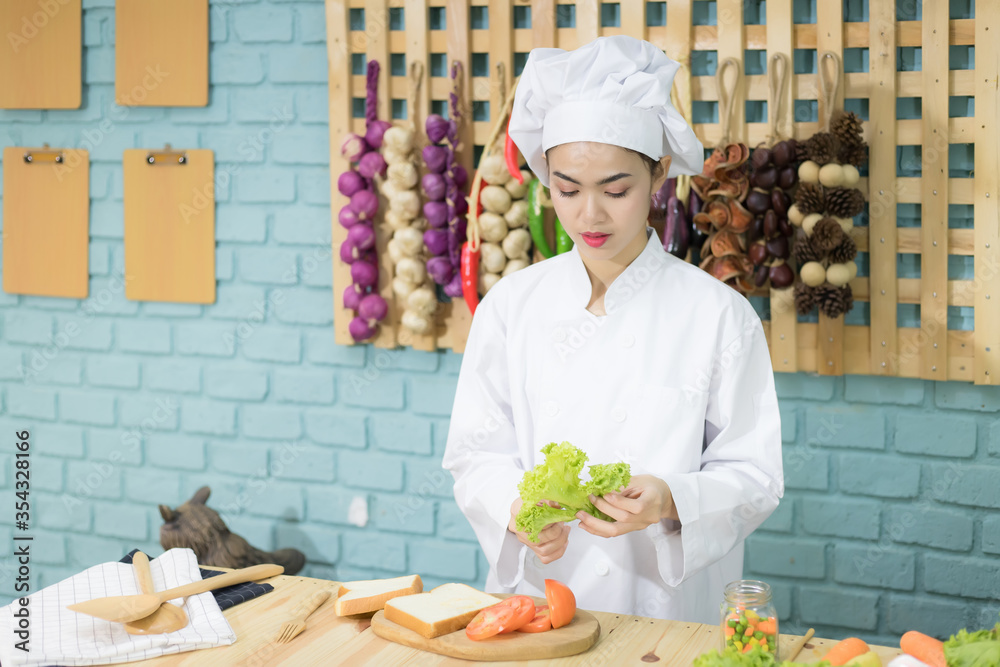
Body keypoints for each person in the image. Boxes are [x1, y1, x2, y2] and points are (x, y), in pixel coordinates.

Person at [441, 35, 783, 624]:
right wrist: (517, 508)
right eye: (568, 189)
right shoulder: (511, 307)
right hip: (540, 610)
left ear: (660, 174)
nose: (589, 215)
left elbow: (753, 474)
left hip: (669, 611)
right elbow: (475, 455)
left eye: (616, 189)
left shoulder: (718, 315)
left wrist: (673, 498)